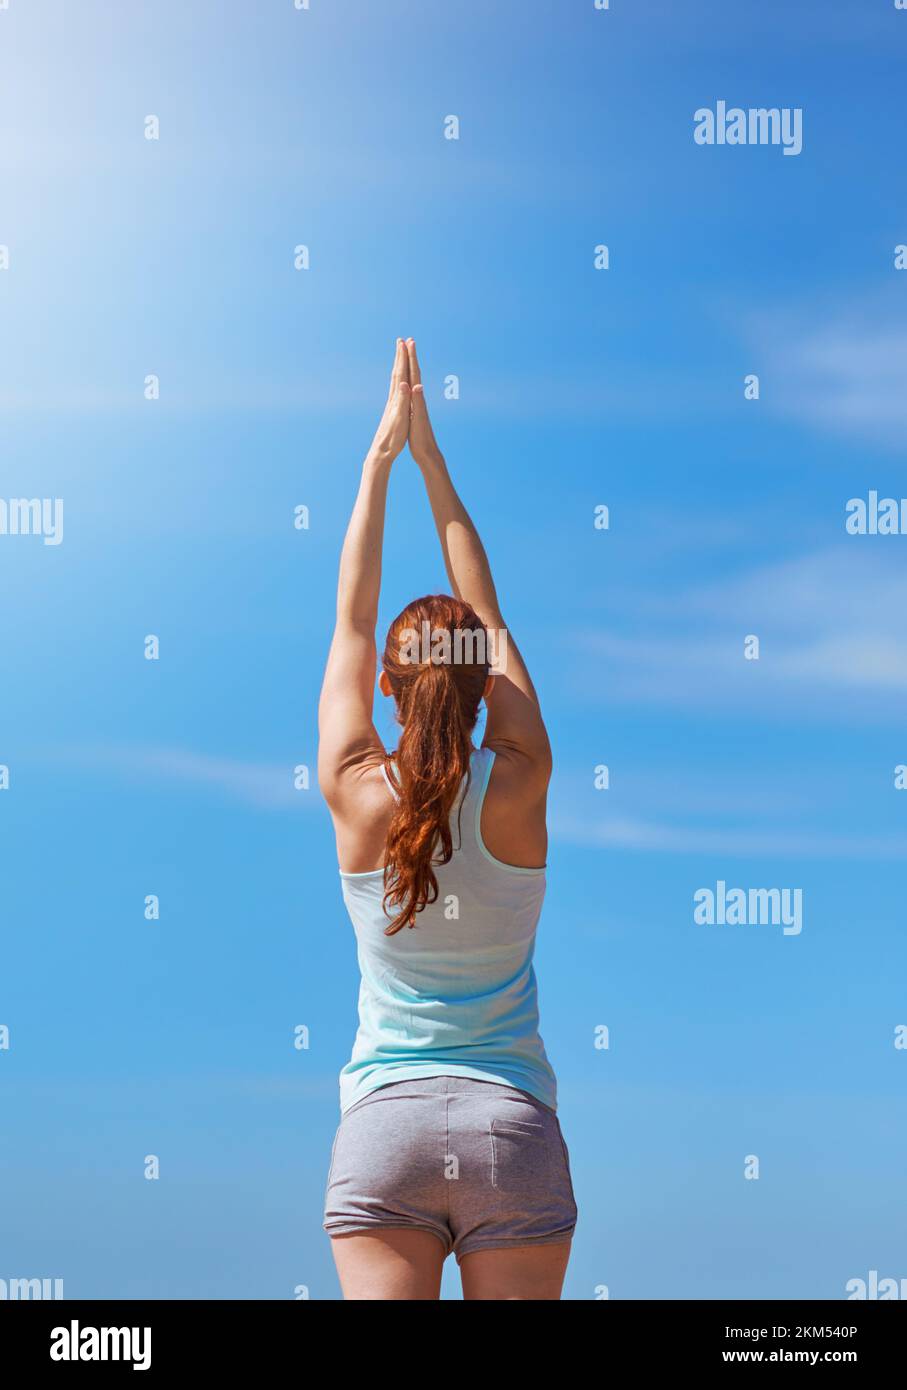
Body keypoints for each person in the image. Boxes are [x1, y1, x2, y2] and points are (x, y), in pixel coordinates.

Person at [318, 339, 577, 1300]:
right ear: (483, 690)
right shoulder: (520, 780)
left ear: (388, 688)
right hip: (509, 1128)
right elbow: (487, 613)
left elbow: (351, 623)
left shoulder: (354, 787)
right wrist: (436, 466)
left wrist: (376, 463)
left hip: (382, 1132)